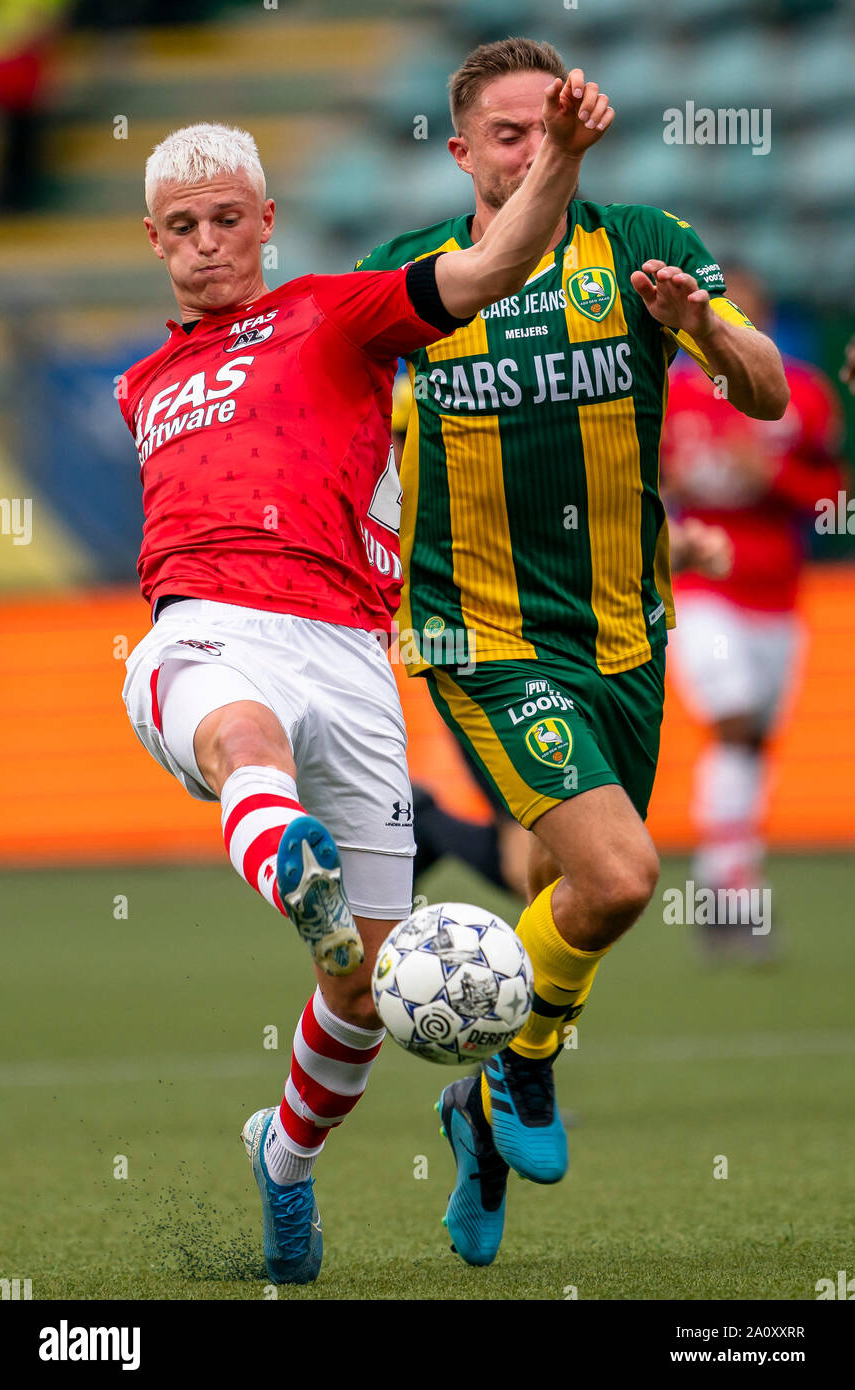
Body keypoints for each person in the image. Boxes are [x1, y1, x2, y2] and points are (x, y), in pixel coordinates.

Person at [118, 90, 612, 1284]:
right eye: (179, 225)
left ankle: (282, 1161)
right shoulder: (139, 383)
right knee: (242, 739)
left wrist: (561, 154)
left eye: (224, 220)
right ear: (152, 240)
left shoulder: (329, 315)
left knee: (367, 984)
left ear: (266, 221)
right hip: (206, 629)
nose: (203, 245)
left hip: (348, 653)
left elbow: (495, 261)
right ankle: (290, 853)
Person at [355, 36, 790, 1266]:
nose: (535, 149)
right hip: (480, 637)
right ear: (458, 153)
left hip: (622, 637)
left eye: (548, 127)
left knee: (563, 893)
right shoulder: (407, 274)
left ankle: (474, 1115)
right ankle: (524, 1066)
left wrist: (699, 321)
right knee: (616, 878)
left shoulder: (641, 240)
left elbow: (761, 393)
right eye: (509, 133)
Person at [661, 267, 847, 959]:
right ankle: (729, 899)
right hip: (702, 589)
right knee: (733, 723)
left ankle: (721, 883)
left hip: (780, 594)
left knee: (753, 740)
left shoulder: (800, 391)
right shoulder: (668, 394)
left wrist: (772, 476)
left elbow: (832, 493)